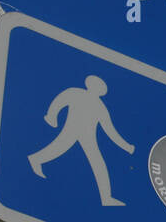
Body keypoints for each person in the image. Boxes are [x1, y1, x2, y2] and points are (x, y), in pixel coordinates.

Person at [28, 75, 134, 205]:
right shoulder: (76, 93)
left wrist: (126, 146)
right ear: (90, 85)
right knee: (58, 149)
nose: (97, 89)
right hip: (72, 130)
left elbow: (110, 131)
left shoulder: (100, 107)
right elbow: (60, 101)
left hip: (87, 136)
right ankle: (35, 159)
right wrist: (51, 116)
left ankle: (106, 198)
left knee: (97, 162)